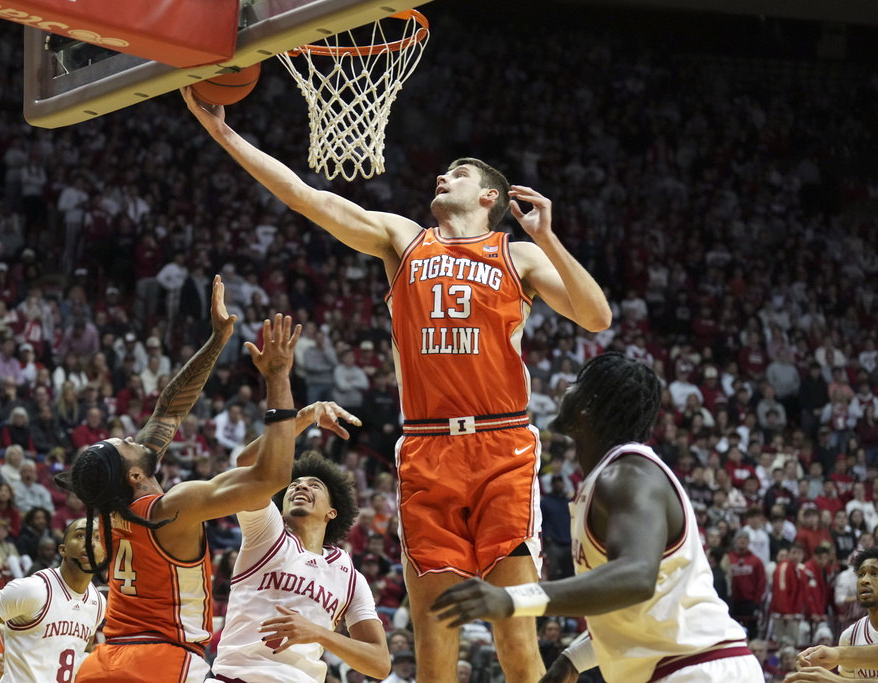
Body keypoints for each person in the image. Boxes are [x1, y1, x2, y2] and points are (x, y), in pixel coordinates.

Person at [183, 88, 611, 683]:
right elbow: (308, 198)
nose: (442, 175)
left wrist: (547, 238)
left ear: (490, 195)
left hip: (501, 449)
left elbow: (597, 317)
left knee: (516, 641)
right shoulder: (403, 239)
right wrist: (226, 135)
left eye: (457, 173)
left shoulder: (517, 256)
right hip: (427, 449)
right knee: (435, 651)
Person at [60, 280, 356, 683]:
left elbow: (168, 411)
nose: (134, 436)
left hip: (102, 661)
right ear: (133, 474)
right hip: (161, 664)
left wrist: (217, 339)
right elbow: (271, 476)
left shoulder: (113, 504)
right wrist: (278, 378)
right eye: (126, 443)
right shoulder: (172, 508)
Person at [428, 352, 761, 682]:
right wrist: (572, 659)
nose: (566, 393)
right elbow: (641, 602)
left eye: (575, 386)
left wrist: (512, 597)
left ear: (588, 407)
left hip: (697, 669)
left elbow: (636, 578)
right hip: (686, 667)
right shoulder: (614, 477)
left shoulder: (627, 476)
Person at [209, 450, 389, 682]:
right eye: (294, 485)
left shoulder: (351, 578)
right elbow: (248, 466)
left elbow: (380, 664)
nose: (301, 487)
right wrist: (302, 416)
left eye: (314, 485)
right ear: (280, 509)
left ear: (332, 512)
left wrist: (319, 634)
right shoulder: (267, 534)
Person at [0, 518, 106, 683]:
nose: (89, 543)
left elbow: (80, 650)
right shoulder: (33, 590)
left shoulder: (98, 603)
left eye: (97, 538)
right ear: (62, 550)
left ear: (104, 554)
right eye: (80, 535)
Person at [792, 547, 878, 682]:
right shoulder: (850, 636)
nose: (864, 580)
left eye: (874, 573)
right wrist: (835, 655)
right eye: (861, 574)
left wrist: (839, 679)